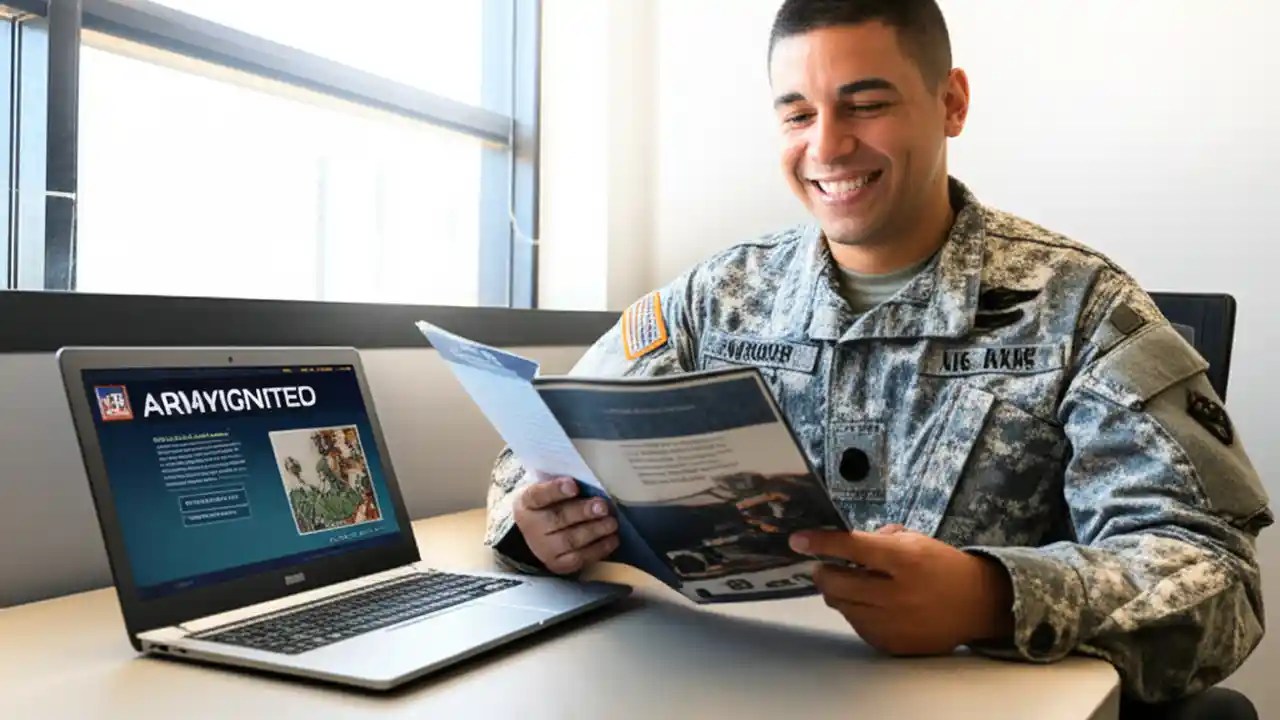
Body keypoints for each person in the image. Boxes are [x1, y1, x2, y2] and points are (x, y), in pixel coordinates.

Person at [482, 0, 1272, 705]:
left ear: (950, 102)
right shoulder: (711, 299)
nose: (827, 145)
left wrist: (992, 597)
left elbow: (1217, 582)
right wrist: (536, 524)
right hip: (733, 687)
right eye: (796, 115)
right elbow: (538, 445)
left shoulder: (1083, 309)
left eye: (865, 103)